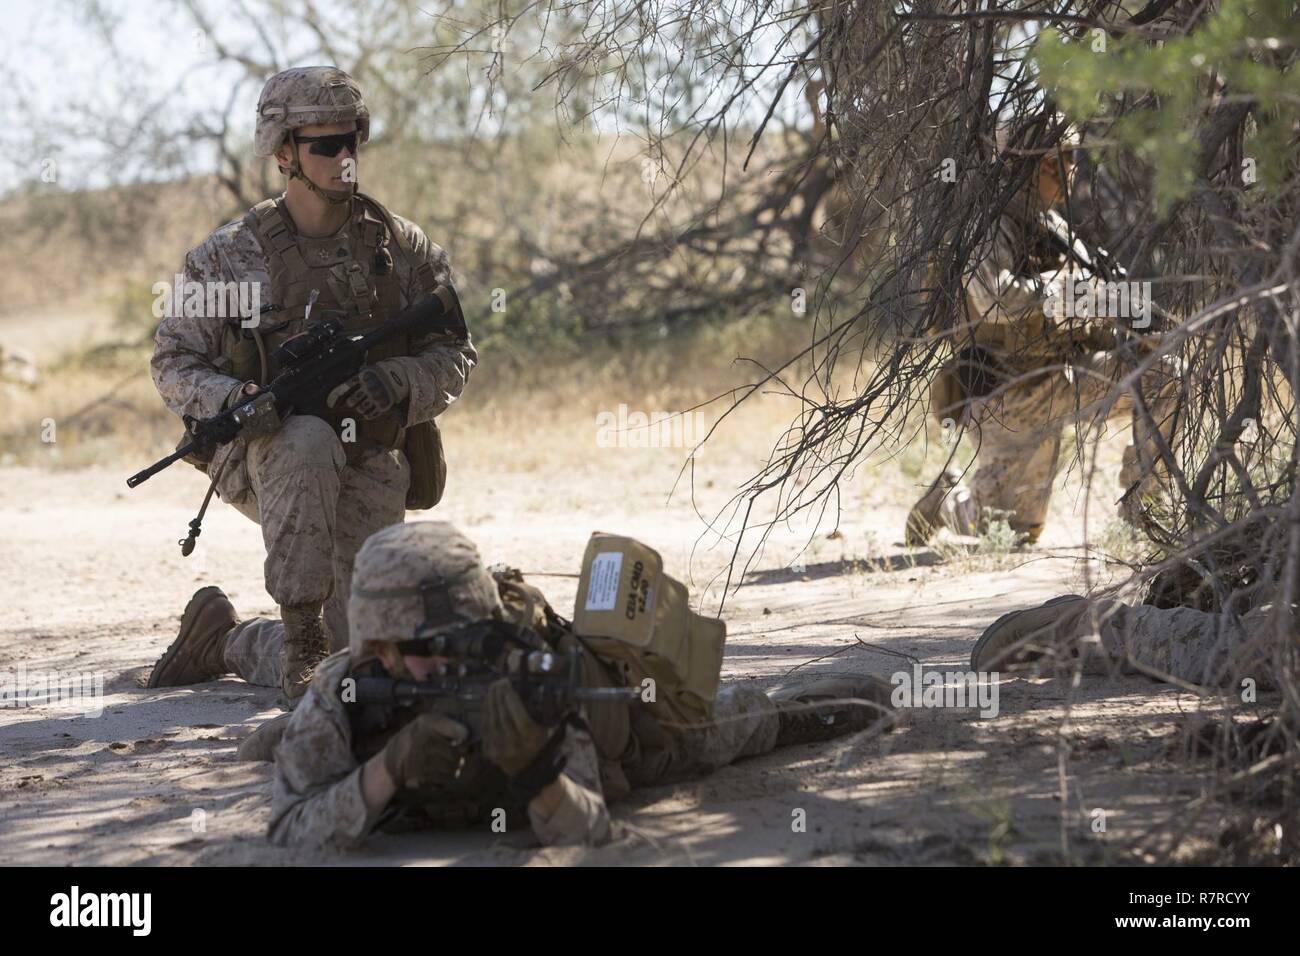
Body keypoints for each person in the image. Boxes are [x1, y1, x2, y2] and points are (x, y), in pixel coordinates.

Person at [256, 520, 896, 848]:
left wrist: (536, 773)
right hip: (363, 720)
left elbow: (588, 830)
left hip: (622, 733)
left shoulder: (530, 675)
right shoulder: (346, 685)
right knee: (306, 730)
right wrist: (387, 769)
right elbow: (288, 831)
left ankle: (802, 712)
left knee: (705, 735)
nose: (452, 666)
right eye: (427, 651)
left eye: (467, 642)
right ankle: (245, 657)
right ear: (382, 651)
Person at [148, 66, 476, 699]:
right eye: (325, 145)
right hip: (269, 461)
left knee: (364, 665)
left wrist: (401, 380)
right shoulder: (229, 257)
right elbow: (174, 364)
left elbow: (455, 350)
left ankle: (223, 640)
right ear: (284, 154)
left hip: (372, 460)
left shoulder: (399, 248)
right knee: (304, 444)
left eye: (352, 140)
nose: (344, 157)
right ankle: (299, 638)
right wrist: (237, 400)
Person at [906, 127, 1179, 547]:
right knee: (1010, 532)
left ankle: (1144, 513)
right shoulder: (989, 223)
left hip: (1063, 377)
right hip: (1007, 394)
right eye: (1060, 160)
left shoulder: (1053, 226)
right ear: (1028, 165)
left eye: (1072, 158)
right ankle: (947, 500)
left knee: (1166, 375)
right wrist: (1075, 293)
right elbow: (995, 298)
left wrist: (1138, 331)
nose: (1071, 170)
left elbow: (1088, 309)